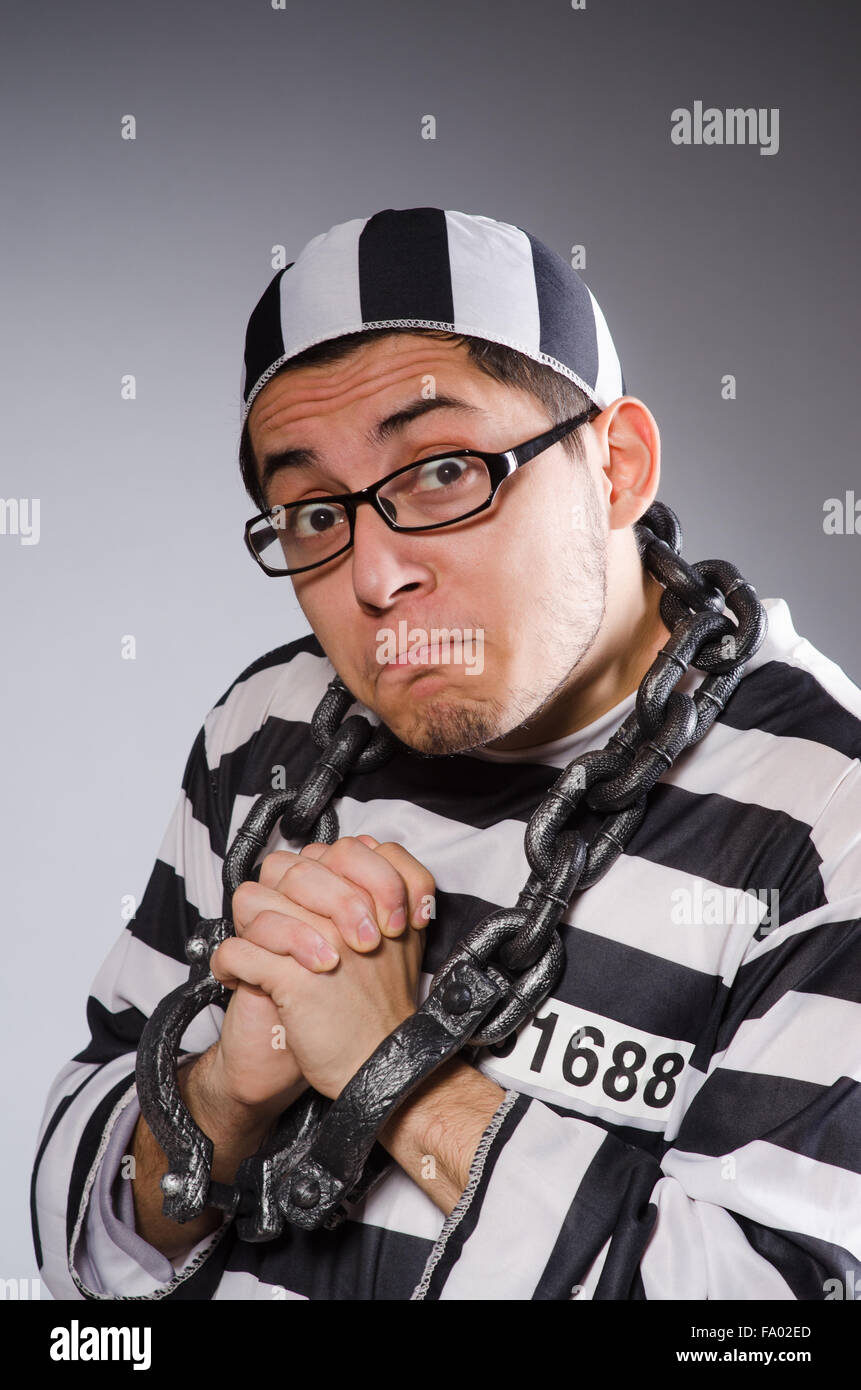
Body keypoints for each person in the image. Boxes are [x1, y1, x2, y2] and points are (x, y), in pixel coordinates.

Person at [32, 207, 861, 1301]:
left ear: (615, 466)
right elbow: (81, 1250)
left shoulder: (824, 817)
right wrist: (226, 1096)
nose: (375, 578)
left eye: (440, 472)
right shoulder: (268, 726)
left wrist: (395, 1076)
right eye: (314, 511)